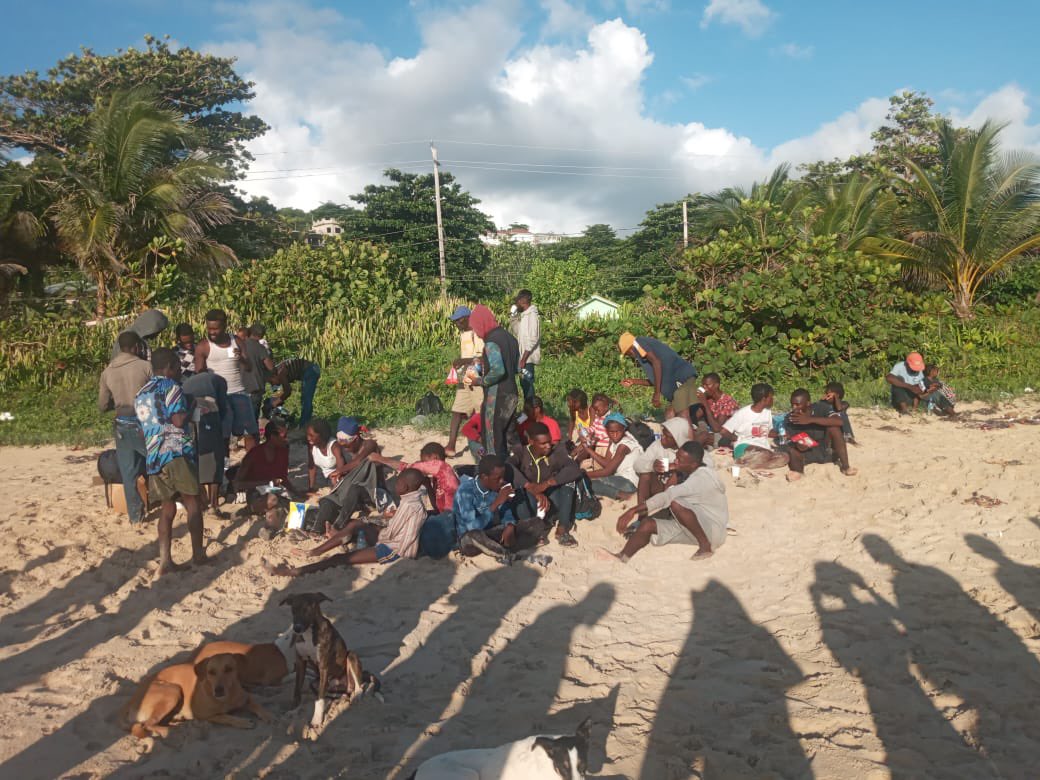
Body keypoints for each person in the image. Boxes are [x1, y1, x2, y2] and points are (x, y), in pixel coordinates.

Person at [264, 468, 428, 576]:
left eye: (398, 482)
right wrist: (373, 526)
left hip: (393, 551)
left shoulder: (411, 506)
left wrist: (376, 536)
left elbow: (399, 540)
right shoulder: (411, 500)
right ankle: (315, 551)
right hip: (391, 539)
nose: (396, 484)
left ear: (405, 487)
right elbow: (394, 529)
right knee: (356, 524)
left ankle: (294, 572)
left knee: (339, 558)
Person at [134, 347, 206, 576]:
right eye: (176, 368)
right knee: (192, 503)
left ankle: (165, 561)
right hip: (176, 452)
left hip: (154, 455)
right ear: (170, 367)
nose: (178, 372)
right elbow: (177, 420)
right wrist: (192, 404)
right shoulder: (172, 387)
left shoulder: (140, 394)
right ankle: (198, 556)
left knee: (167, 509)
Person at [600, 442, 728, 564]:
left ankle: (705, 547)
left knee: (675, 503)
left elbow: (668, 496)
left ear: (694, 464)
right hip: (696, 527)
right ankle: (622, 557)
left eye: (680, 460)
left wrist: (633, 510)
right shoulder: (695, 471)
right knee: (647, 524)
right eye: (676, 457)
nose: (676, 461)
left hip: (712, 531)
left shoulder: (700, 478)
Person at [420, 455, 545, 561]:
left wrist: (510, 525)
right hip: (468, 538)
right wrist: (496, 503)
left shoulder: (497, 488)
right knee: (474, 536)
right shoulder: (466, 492)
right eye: (498, 478)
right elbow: (471, 527)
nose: (502, 481)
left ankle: (503, 546)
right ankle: (506, 554)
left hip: (491, 532)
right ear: (484, 477)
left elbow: (506, 511)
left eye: (503, 477)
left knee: (537, 524)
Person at [98, 331, 153, 524]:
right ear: (136, 347)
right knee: (157, 462)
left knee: (128, 471)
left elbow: (102, 405)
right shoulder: (145, 366)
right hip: (144, 422)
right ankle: (166, 501)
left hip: (122, 422)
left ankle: (135, 516)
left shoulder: (108, 371)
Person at [510, 421, 583, 547]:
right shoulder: (521, 452)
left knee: (569, 482)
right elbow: (508, 467)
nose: (548, 446)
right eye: (543, 443)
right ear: (531, 442)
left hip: (551, 500)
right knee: (517, 491)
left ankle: (562, 529)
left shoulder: (556, 451)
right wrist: (529, 487)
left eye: (549, 441)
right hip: (530, 500)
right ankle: (530, 531)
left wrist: (547, 484)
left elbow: (574, 469)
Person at [195, 309, 257, 451]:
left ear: (224, 326)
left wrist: (241, 358)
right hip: (218, 396)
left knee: (250, 433)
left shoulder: (237, 341)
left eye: (216, 328)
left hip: (239, 392)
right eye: (209, 328)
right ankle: (224, 466)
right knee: (223, 435)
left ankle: (253, 464)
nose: (212, 332)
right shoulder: (203, 347)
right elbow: (199, 375)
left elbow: (249, 368)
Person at [310, 416, 382, 533]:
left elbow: (358, 461)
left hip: (371, 492)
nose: (345, 447)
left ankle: (338, 527)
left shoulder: (369, 444)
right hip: (351, 496)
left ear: (356, 439)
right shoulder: (348, 450)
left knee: (354, 489)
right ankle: (316, 531)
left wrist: (340, 470)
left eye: (346, 444)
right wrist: (340, 478)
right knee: (328, 501)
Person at [466, 305, 520, 458]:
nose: (476, 332)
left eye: (475, 327)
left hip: (497, 397)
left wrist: (479, 380)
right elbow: (515, 368)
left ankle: (496, 471)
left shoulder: (491, 342)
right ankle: (517, 467)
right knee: (510, 435)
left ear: (481, 323)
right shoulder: (510, 338)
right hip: (512, 393)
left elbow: (498, 370)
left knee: (493, 439)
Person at [232, 417, 294, 534]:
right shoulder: (254, 454)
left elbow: (283, 477)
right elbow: (238, 483)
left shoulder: (283, 451)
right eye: (284, 436)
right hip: (257, 494)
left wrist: (296, 492)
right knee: (273, 500)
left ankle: (269, 529)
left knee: (278, 504)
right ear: (273, 437)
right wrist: (267, 482)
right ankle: (250, 510)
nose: (287, 439)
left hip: (277, 493)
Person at [618, 332, 699, 419]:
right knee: (689, 414)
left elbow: (657, 363)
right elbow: (656, 380)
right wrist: (633, 381)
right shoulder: (644, 355)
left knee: (676, 415)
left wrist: (656, 394)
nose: (629, 356)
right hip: (679, 382)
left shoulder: (639, 343)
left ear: (630, 348)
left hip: (681, 378)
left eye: (627, 353)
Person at [182, 369, 229, 516]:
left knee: (194, 454)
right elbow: (223, 407)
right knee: (214, 455)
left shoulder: (187, 382)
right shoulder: (219, 380)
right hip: (208, 409)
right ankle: (213, 504)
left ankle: (200, 501)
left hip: (188, 414)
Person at [782, 389, 858, 481]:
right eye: (792, 404)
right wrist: (800, 445)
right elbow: (792, 440)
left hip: (827, 450)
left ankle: (846, 467)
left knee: (834, 428)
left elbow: (839, 421)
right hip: (807, 453)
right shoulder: (790, 418)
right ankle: (798, 472)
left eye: (798, 404)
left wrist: (809, 419)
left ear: (808, 403)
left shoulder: (820, 408)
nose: (794, 407)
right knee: (792, 450)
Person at [370, 442, 460, 514]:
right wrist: (428, 486)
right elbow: (437, 507)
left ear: (434, 457)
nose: (423, 464)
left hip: (451, 516)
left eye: (424, 462)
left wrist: (379, 458)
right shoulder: (439, 477)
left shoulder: (442, 467)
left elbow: (406, 466)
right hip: (445, 514)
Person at [445, 306, 484, 458]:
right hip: (465, 378)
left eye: (459, 320)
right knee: (457, 410)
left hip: (477, 379)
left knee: (480, 412)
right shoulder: (463, 334)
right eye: (454, 321)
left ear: (468, 318)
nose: (456, 323)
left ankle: (482, 444)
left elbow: (482, 359)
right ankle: (451, 445)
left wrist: (464, 361)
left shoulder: (479, 334)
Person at [722, 383, 789, 470]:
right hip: (744, 446)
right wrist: (738, 439)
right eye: (771, 397)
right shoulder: (743, 413)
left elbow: (768, 431)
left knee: (785, 457)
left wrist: (779, 434)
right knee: (766, 454)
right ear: (764, 399)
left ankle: (752, 465)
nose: (773, 399)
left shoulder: (767, 412)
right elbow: (724, 431)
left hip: (763, 448)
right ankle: (749, 463)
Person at [579, 412, 643, 501]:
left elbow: (608, 471)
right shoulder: (613, 442)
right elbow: (607, 463)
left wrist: (582, 475)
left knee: (588, 484)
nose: (615, 435)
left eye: (618, 431)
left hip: (629, 482)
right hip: (620, 478)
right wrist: (588, 449)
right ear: (606, 431)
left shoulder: (624, 445)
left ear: (624, 429)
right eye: (612, 432)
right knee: (589, 482)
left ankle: (622, 495)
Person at [633, 417, 692, 507]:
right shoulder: (658, 445)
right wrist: (652, 465)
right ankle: (642, 514)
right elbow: (637, 464)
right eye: (663, 434)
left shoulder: (689, 448)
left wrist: (677, 467)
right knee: (645, 474)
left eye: (667, 436)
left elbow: (705, 464)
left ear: (677, 438)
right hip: (660, 487)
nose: (662, 437)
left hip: (682, 492)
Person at [237, 325, 275, 421]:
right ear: (261, 336)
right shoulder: (260, 348)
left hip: (239, 387)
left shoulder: (240, 346)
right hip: (255, 387)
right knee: (253, 419)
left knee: (240, 418)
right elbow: (270, 367)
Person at [270, 356, 321, 426]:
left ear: (274, 376)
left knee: (306, 399)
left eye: (272, 382)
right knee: (305, 399)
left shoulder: (280, 373)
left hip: (311, 370)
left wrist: (275, 403)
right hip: (310, 370)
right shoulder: (276, 373)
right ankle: (304, 422)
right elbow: (277, 394)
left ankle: (304, 425)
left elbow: (288, 391)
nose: (274, 384)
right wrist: (276, 403)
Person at [511, 289, 541, 402]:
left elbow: (533, 339)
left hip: (527, 359)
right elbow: (517, 331)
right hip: (523, 357)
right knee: (524, 384)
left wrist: (523, 358)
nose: (516, 304)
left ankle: (532, 412)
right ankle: (528, 412)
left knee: (528, 385)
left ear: (523, 301)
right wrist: (513, 316)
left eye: (517, 301)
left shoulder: (532, 315)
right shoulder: (524, 315)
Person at [689, 373, 738, 437]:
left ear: (716, 385)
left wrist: (705, 403)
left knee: (703, 436)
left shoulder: (727, 402)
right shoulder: (708, 399)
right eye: (703, 385)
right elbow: (694, 418)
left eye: (707, 385)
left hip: (727, 436)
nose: (704, 388)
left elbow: (717, 429)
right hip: (711, 432)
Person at [305, 419, 343, 491]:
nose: (308, 438)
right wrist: (311, 487)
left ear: (322, 435)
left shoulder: (334, 446)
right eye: (307, 434)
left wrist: (336, 481)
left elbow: (341, 467)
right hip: (324, 476)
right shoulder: (312, 446)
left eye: (311, 435)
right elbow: (312, 467)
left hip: (338, 476)